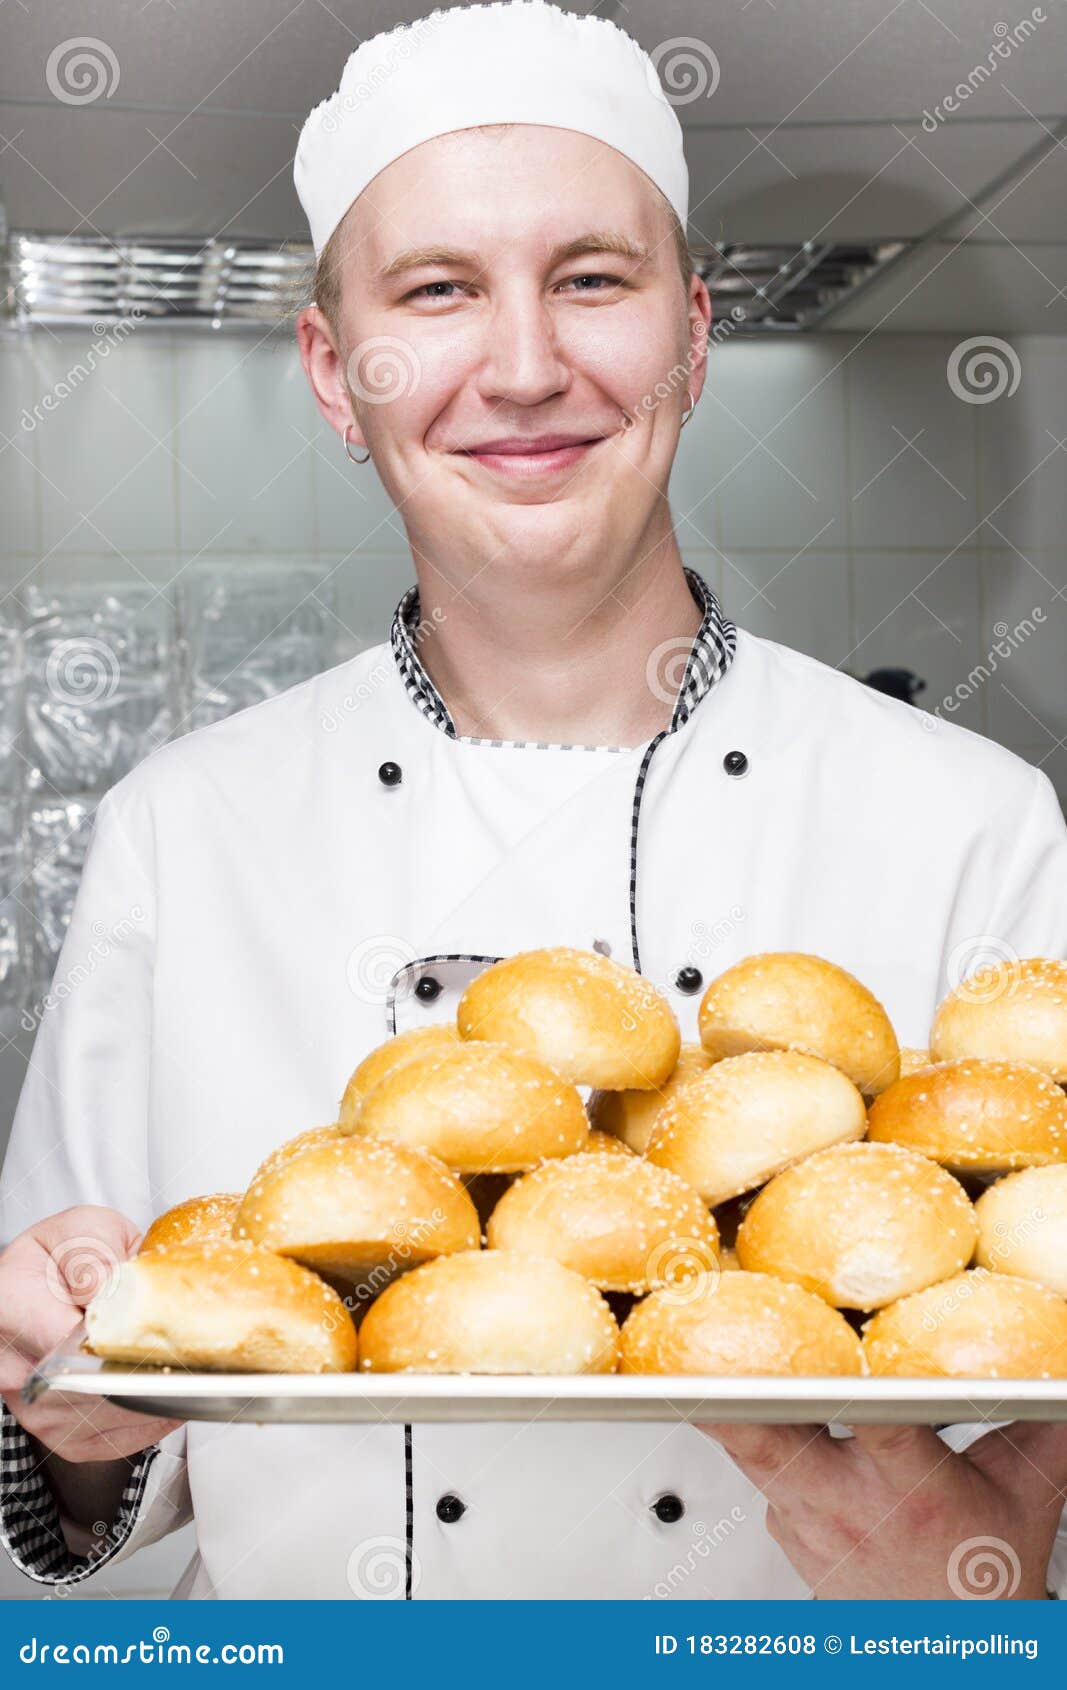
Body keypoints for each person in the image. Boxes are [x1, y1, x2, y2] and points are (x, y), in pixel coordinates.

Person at [2, 0, 1067, 1602]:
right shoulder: (184, 829)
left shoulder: (974, 822)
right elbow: (81, 1438)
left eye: (593, 279)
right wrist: (71, 1435)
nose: (521, 366)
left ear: (694, 335)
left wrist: (971, 1601)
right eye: (437, 291)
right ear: (331, 367)